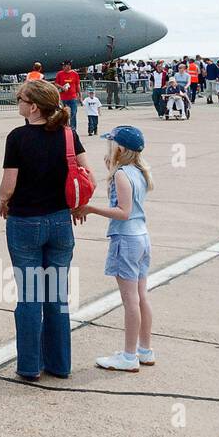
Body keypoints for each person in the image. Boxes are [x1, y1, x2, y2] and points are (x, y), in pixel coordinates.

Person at [0, 78, 91, 381]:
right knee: (57, 295)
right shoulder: (68, 135)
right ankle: (60, 364)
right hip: (61, 221)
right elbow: (86, 174)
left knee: (29, 296)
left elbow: (9, 184)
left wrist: (2, 200)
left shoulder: (18, 137)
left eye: (20, 98)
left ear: (33, 106)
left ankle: (29, 366)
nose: (18, 103)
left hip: (26, 221)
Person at [77, 125, 155, 373]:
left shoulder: (122, 174)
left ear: (120, 148)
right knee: (141, 296)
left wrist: (90, 208)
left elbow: (123, 212)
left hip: (127, 239)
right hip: (142, 236)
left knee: (130, 298)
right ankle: (144, 349)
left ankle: (129, 355)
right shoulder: (139, 172)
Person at [55, 61, 81, 131]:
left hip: (72, 97)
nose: (63, 67)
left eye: (64, 66)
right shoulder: (59, 74)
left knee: (73, 113)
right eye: (63, 66)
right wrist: (61, 87)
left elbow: (78, 85)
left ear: (69, 66)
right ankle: (64, 128)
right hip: (63, 97)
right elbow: (56, 83)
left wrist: (80, 95)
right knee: (64, 114)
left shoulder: (75, 74)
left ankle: (73, 129)